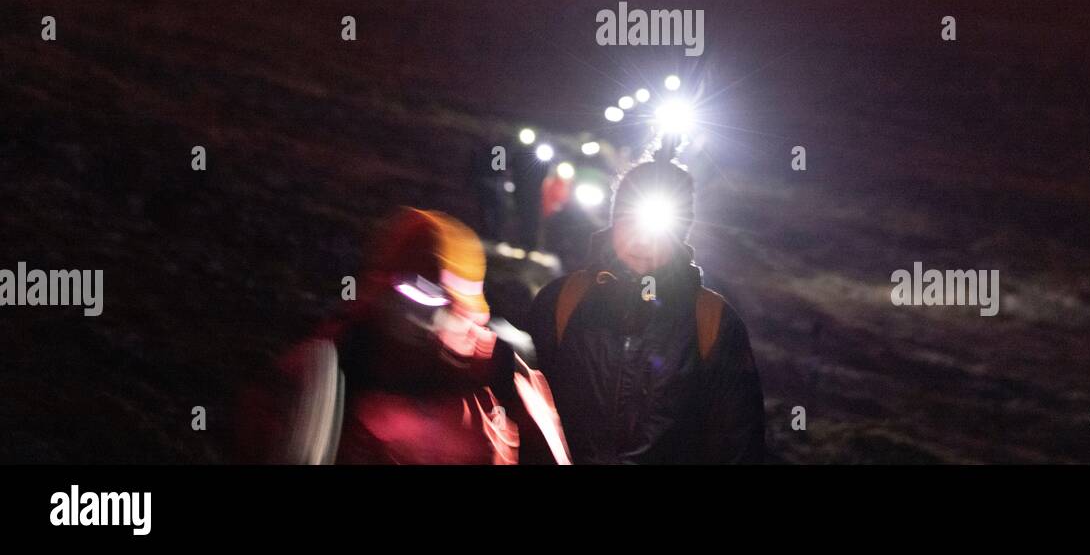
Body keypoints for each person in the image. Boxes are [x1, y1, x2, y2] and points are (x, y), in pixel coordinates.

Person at [239, 208, 569, 464]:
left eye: (439, 298)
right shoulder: (325, 373)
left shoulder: (503, 378)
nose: (424, 315)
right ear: (381, 287)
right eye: (409, 290)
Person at [525, 152, 765, 463]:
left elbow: (738, 444)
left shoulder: (713, 322)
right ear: (613, 222)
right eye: (629, 221)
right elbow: (524, 415)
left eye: (657, 229)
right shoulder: (561, 301)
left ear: (680, 233)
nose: (642, 241)